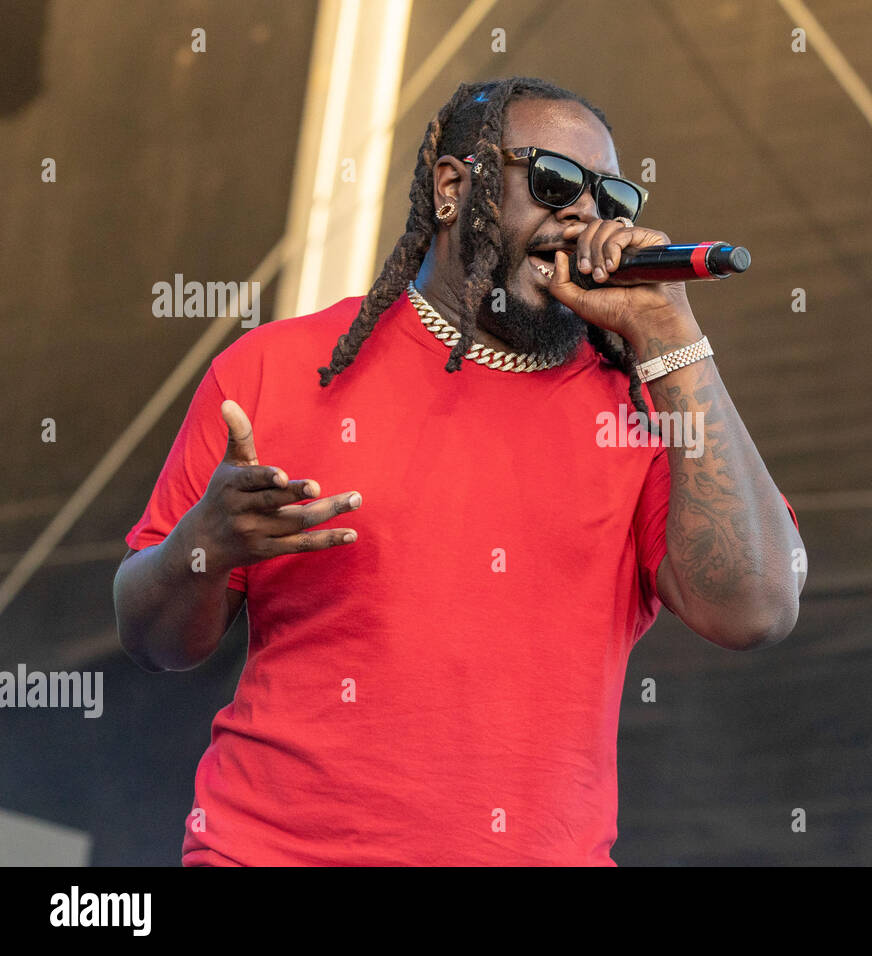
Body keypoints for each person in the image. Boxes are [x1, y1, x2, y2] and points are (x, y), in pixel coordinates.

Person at [114, 76, 805, 866]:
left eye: (613, 201)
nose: (585, 216)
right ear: (453, 187)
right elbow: (155, 641)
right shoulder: (277, 367)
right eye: (553, 183)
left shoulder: (646, 418)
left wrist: (669, 334)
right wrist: (204, 546)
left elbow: (756, 610)